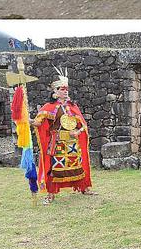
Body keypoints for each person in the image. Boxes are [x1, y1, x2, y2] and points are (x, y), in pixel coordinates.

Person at [31, 73, 95, 205]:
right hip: (57, 143)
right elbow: (38, 123)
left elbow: (83, 125)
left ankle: (84, 187)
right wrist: (26, 119)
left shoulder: (72, 107)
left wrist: (77, 132)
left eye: (66, 89)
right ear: (55, 91)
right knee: (54, 169)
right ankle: (50, 194)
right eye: (62, 89)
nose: (65, 92)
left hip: (72, 144)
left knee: (77, 166)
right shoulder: (48, 107)